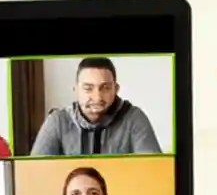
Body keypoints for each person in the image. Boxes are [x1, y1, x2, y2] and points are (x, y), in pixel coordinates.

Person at [29, 57, 162, 156]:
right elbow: (37, 172)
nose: (97, 97)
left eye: (105, 88)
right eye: (88, 88)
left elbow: (152, 170)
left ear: (116, 89)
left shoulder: (134, 119)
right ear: (76, 90)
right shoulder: (57, 121)